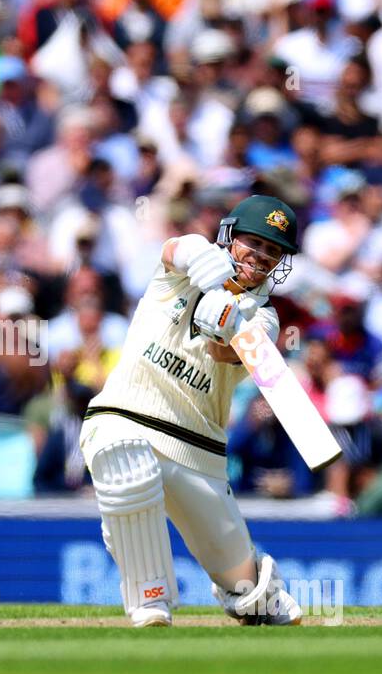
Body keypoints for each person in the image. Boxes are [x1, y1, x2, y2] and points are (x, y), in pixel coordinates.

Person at [78, 194, 308, 627]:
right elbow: (172, 251)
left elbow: (228, 357)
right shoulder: (186, 270)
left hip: (198, 449)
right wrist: (194, 253)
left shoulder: (266, 318)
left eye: (272, 252)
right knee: (124, 460)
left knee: (247, 590)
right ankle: (151, 596)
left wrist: (230, 325)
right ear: (230, 238)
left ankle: (257, 595)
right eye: (252, 244)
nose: (260, 257)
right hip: (124, 414)